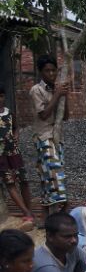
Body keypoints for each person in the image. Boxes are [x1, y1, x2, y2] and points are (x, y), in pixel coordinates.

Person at [30, 55, 70, 214]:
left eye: (53, 70)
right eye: (47, 71)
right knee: (55, 173)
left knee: (48, 176)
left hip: (57, 137)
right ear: (41, 72)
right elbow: (44, 115)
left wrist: (64, 96)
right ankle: (65, 207)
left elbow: (66, 116)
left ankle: (46, 217)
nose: (51, 74)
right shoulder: (36, 90)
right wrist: (57, 94)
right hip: (43, 136)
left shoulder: (57, 89)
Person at [0, 85, 35, 229]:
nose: (0, 99)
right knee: (9, 182)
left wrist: (16, 135)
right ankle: (26, 212)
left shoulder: (9, 113)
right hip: (1, 155)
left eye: (1, 96)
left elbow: (15, 127)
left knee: (24, 180)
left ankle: (30, 211)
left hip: (14, 152)